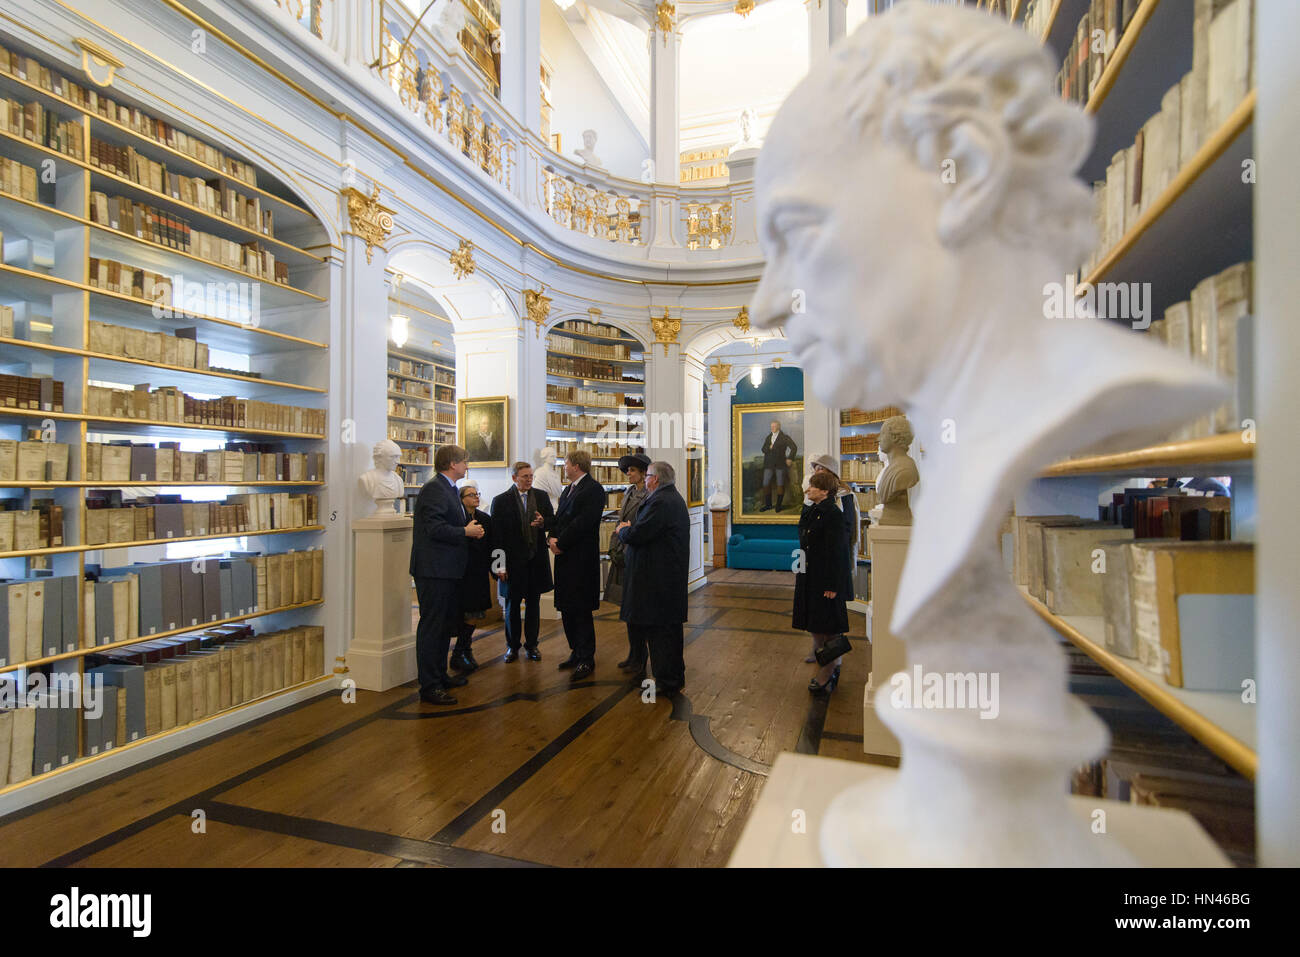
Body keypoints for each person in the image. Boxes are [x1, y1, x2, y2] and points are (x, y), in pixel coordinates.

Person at [409, 444, 484, 705]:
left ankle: (440, 676)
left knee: (443, 627)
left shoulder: (449, 489)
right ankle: (429, 685)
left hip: (447, 569)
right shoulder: (434, 489)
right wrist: (466, 531)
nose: (466, 465)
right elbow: (434, 528)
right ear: (452, 463)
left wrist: (467, 529)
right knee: (432, 627)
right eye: (464, 461)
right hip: (434, 570)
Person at [616, 461, 690, 695]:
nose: (645, 479)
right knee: (667, 632)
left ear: (655, 479)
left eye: (647, 475)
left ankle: (667, 681)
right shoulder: (669, 498)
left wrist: (623, 530)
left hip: (658, 580)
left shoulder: (661, 501)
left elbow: (640, 533)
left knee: (660, 634)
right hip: (664, 577)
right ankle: (672, 676)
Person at [549, 450, 607, 681]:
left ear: (576, 465)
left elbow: (583, 523)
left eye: (566, 463)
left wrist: (560, 543)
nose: (564, 467)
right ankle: (575, 651)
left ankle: (586, 657)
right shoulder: (568, 489)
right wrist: (550, 538)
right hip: (565, 558)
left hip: (580, 559)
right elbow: (560, 519)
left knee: (581, 610)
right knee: (566, 608)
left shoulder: (593, 489)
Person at [490, 461, 554, 662]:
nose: (529, 480)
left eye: (530, 476)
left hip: (535, 560)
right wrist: (498, 565)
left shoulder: (542, 497)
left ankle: (532, 645)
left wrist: (544, 523)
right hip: (512, 563)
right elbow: (496, 537)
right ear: (514, 478)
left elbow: (553, 521)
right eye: (524, 476)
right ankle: (512, 647)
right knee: (512, 606)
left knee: (534, 605)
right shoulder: (500, 501)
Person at [794, 471, 851, 696]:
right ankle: (829, 666)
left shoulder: (833, 514)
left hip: (825, 579)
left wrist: (832, 585)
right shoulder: (811, 511)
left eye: (812, 487)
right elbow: (803, 541)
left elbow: (837, 553)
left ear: (825, 491)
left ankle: (828, 672)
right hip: (809, 575)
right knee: (815, 624)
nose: (808, 490)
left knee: (828, 627)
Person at [805, 453, 859, 663]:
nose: (817, 472)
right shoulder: (811, 496)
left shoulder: (845, 496)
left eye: (821, 469)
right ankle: (817, 647)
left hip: (835, 559)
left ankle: (833, 652)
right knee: (815, 609)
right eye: (815, 469)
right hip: (814, 561)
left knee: (833, 609)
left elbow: (848, 531)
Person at [607, 451, 651, 672]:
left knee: (638, 609)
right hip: (622, 552)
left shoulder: (649, 496)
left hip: (636, 554)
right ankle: (633, 653)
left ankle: (641, 656)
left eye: (632, 471)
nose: (628, 474)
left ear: (643, 473)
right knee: (627, 609)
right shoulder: (628, 492)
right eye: (627, 471)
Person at [450, 482, 493, 674]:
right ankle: (459, 652)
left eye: (477, 494)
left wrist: (497, 567)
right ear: (462, 499)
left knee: (476, 613)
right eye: (471, 495)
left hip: (479, 571)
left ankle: (464, 649)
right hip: (461, 572)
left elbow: (494, 543)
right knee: (463, 612)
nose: (476, 497)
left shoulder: (485, 518)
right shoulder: (457, 518)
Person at [759, 419, 797, 512]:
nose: (772, 428)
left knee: (780, 484)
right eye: (771, 426)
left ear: (779, 427)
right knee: (765, 484)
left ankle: (778, 506)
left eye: (774, 426)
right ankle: (768, 505)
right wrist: (769, 447)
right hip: (768, 464)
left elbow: (794, 447)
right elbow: (763, 449)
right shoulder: (768, 437)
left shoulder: (784, 437)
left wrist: (790, 458)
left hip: (780, 464)